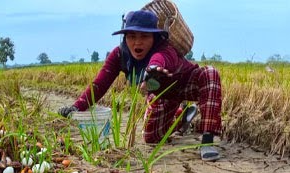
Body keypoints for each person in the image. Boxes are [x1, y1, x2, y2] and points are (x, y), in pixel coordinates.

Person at [59, 9, 222, 161]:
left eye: (144, 36)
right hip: (163, 94)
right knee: (151, 137)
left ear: (154, 38)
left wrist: (153, 70)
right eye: (131, 36)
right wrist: (77, 106)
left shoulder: (166, 49)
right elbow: (99, 84)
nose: (137, 42)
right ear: (125, 38)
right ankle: (182, 117)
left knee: (209, 73)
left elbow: (159, 60)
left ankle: (207, 139)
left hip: (187, 83)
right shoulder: (119, 55)